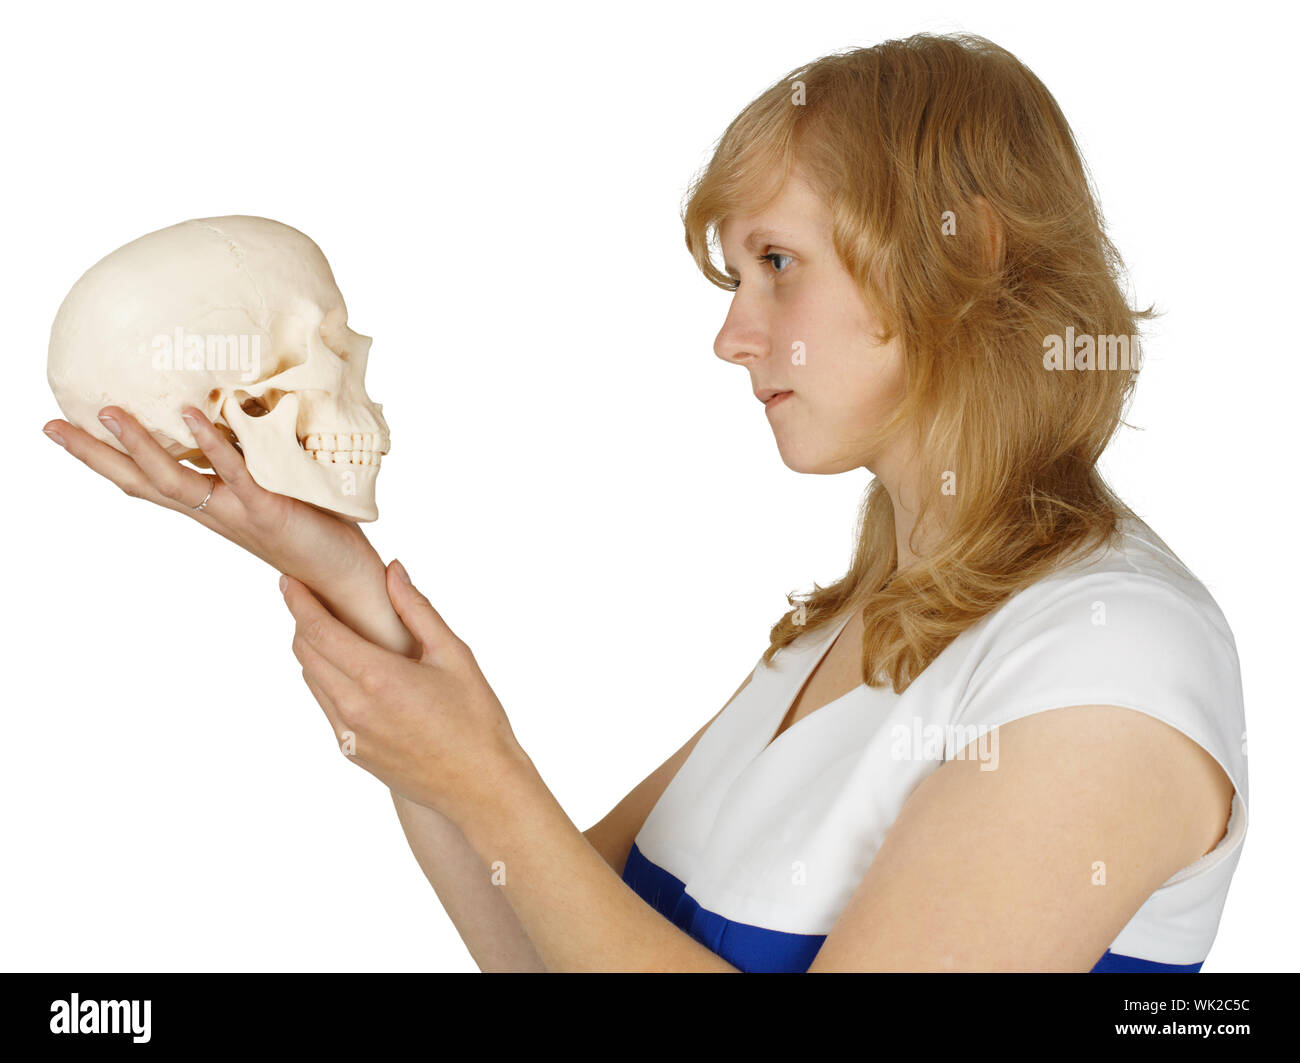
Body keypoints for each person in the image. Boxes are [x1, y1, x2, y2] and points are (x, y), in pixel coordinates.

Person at [42, 31, 1246, 972]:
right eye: (735, 276)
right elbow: (549, 945)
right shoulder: (844, 630)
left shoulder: (1110, 663)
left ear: (970, 250)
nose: (731, 335)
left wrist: (484, 779)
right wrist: (336, 570)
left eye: (777, 264)